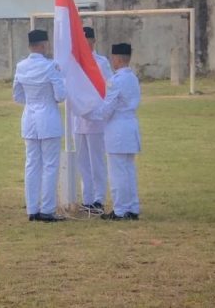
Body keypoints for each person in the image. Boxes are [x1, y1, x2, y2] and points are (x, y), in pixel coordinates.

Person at [13, 29, 67, 222]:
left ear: (30, 46)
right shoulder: (51, 66)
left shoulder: (21, 66)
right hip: (48, 118)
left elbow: (17, 96)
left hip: (29, 118)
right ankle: (47, 209)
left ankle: (32, 208)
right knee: (50, 165)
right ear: (44, 45)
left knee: (32, 164)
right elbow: (61, 95)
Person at [87, 43, 141, 220]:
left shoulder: (116, 81)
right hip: (130, 125)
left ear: (117, 59)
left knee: (117, 172)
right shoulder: (133, 77)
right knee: (128, 171)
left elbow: (106, 109)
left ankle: (119, 210)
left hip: (117, 128)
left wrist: (88, 114)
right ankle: (132, 207)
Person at [71, 26, 113, 214]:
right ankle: (87, 198)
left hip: (96, 118)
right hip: (77, 118)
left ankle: (98, 199)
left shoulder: (101, 62)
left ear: (93, 41)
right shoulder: (74, 62)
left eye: (85, 39)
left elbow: (108, 88)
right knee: (82, 162)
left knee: (96, 161)